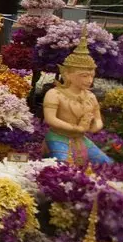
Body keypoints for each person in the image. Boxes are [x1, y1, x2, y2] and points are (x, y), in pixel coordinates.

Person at [43, 27, 111, 165]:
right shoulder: (54, 94)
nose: (89, 80)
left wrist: (94, 126)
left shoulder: (90, 96)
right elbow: (50, 119)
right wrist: (76, 128)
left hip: (81, 138)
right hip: (58, 136)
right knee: (64, 166)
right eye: (84, 76)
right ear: (67, 74)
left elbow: (98, 119)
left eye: (91, 76)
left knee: (106, 163)